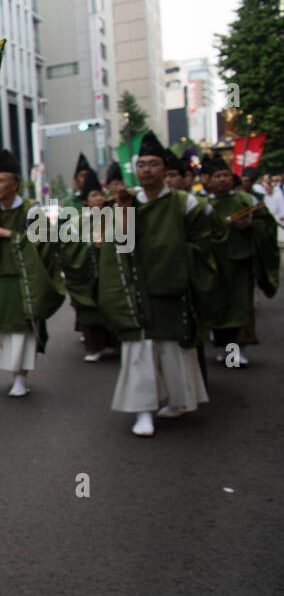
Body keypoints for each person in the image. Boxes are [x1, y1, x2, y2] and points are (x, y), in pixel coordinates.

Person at [97, 132, 222, 437]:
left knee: (172, 350)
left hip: (173, 291)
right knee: (139, 351)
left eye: (153, 164)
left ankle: (172, 400)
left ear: (166, 170)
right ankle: (143, 411)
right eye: (141, 165)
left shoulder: (186, 204)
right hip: (138, 291)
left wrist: (176, 257)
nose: (147, 170)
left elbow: (205, 245)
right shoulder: (126, 205)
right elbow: (117, 249)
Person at [0, 148, 65, 396]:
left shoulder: (31, 211)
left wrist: (11, 235)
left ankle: (21, 377)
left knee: (23, 334)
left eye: (1, 181)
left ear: (15, 183)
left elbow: (44, 244)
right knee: (0, 332)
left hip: (24, 282)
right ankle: (14, 374)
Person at [204, 154, 278, 365]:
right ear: (209, 180)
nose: (222, 180)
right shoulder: (204, 205)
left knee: (239, 309)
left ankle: (238, 351)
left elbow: (268, 226)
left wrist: (251, 226)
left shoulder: (247, 201)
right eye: (217, 176)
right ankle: (225, 350)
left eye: (226, 175)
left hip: (239, 264)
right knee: (219, 310)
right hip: (214, 265)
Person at [58, 167, 117, 361]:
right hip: (86, 275)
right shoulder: (76, 222)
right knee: (90, 311)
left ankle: (117, 344)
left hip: (110, 274)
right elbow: (68, 248)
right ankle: (94, 347)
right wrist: (91, 244)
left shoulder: (116, 218)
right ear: (86, 201)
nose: (98, 199)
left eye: (101, 195)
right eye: (93, 195)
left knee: (114, 307)